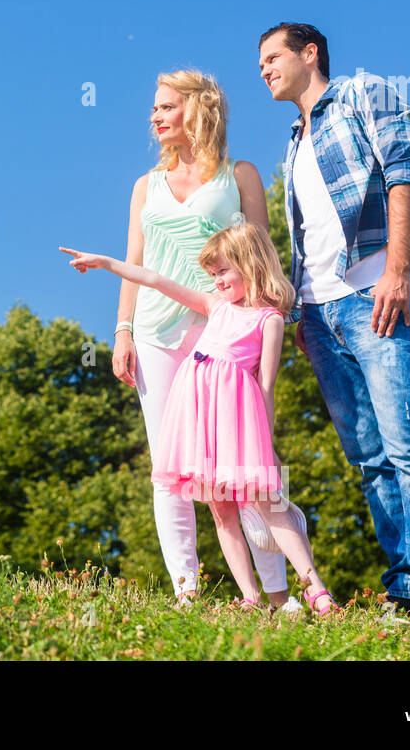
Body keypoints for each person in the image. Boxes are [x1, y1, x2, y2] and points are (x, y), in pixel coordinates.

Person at [257, 22, 410, 626]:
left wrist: (397, 271)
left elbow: (403, 172)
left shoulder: (362, 93)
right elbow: (307, 240)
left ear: (309, 53)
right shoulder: (293, 142)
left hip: (375, 294)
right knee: (369, 456)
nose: (265, 69)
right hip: (321, 315)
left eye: (273, 57)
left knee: (408, 441)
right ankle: (403, 582)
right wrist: (300, 314)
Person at [61, 222, 337, 616]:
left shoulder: (270, 320)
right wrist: (106, 263)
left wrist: (268, 448)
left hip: (236, 422)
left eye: (224, 270)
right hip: (198, 417)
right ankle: (250, 599)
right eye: (214, 274)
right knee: (221, 512)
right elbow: (155, 279)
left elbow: (266, 386)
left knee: (268, 506)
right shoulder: (215, 306)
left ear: (250, 263)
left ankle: (317, 591)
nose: (217, 280)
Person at [112, 70, 295, 610]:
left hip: (227, 333)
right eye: (154, 107)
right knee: (169, 467)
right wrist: (123, 331)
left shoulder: (241, 176)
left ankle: (279, 594)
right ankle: (186, 590)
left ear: (199, 109)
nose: (155, 115)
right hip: (156, 336)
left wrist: (279, 320)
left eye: (167, 105)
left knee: (246, 466)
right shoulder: (145, 186)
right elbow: (134, 263)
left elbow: (261, 257)